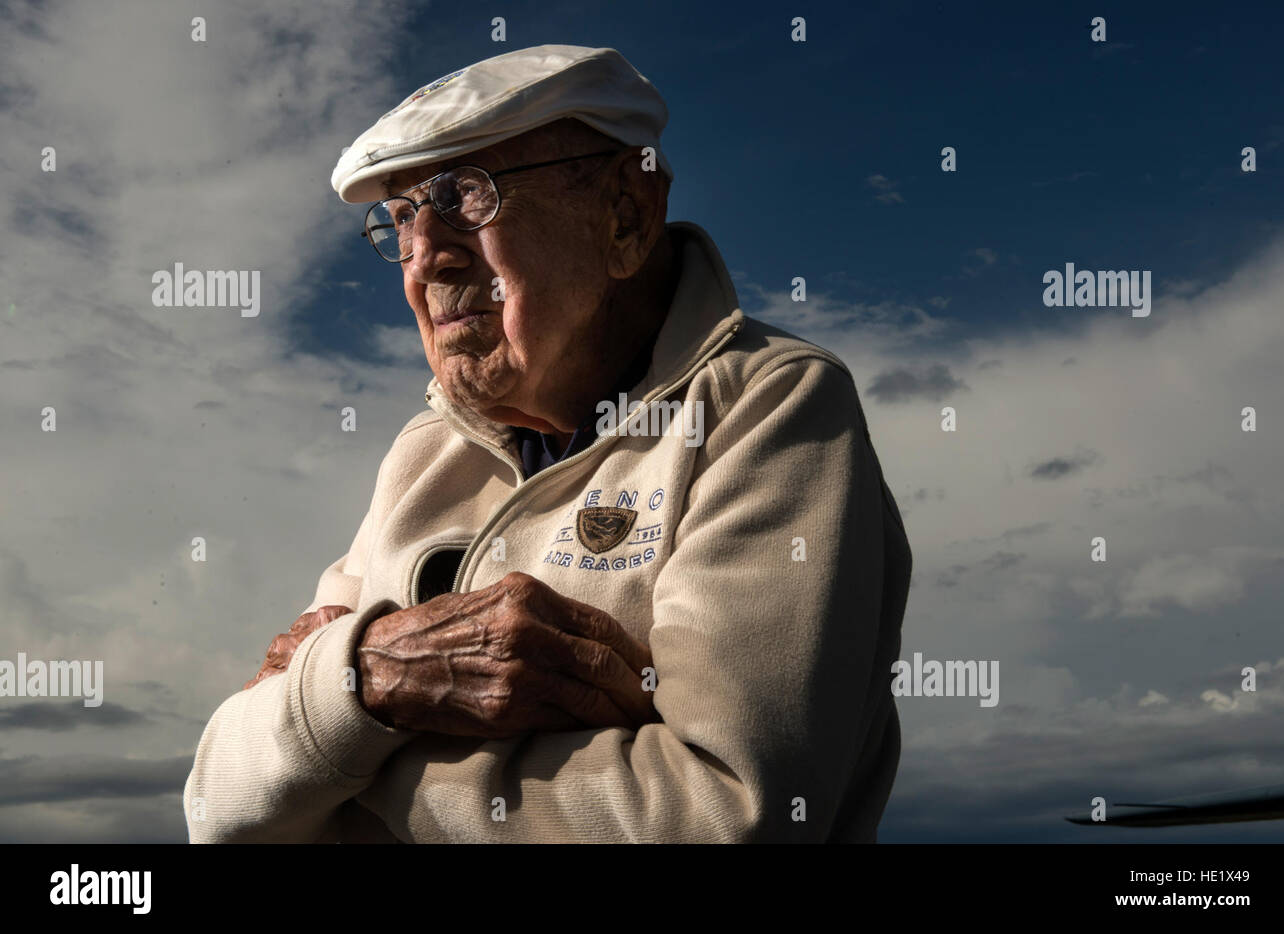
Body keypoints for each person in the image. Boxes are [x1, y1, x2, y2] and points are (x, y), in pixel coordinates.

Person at [183, 44, 912, 843]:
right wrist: (370, 680)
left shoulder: (770, 405)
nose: (425, 255)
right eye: (400, 217)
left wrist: (344, 755)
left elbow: (731, 813)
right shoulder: (425, 456)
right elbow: (218, 806)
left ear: (626, 215)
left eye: (466, 197)